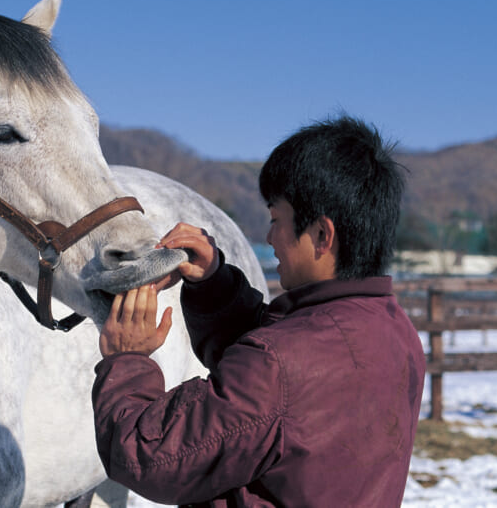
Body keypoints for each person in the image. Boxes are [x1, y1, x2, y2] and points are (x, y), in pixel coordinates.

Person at [92, 115, 425, 507]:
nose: (270, 238)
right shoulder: (396, 333)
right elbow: (283, 390)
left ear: (321, 235)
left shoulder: (281, 363)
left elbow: (148, 457)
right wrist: (214, 284)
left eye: (276, 220)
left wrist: (127, 360)